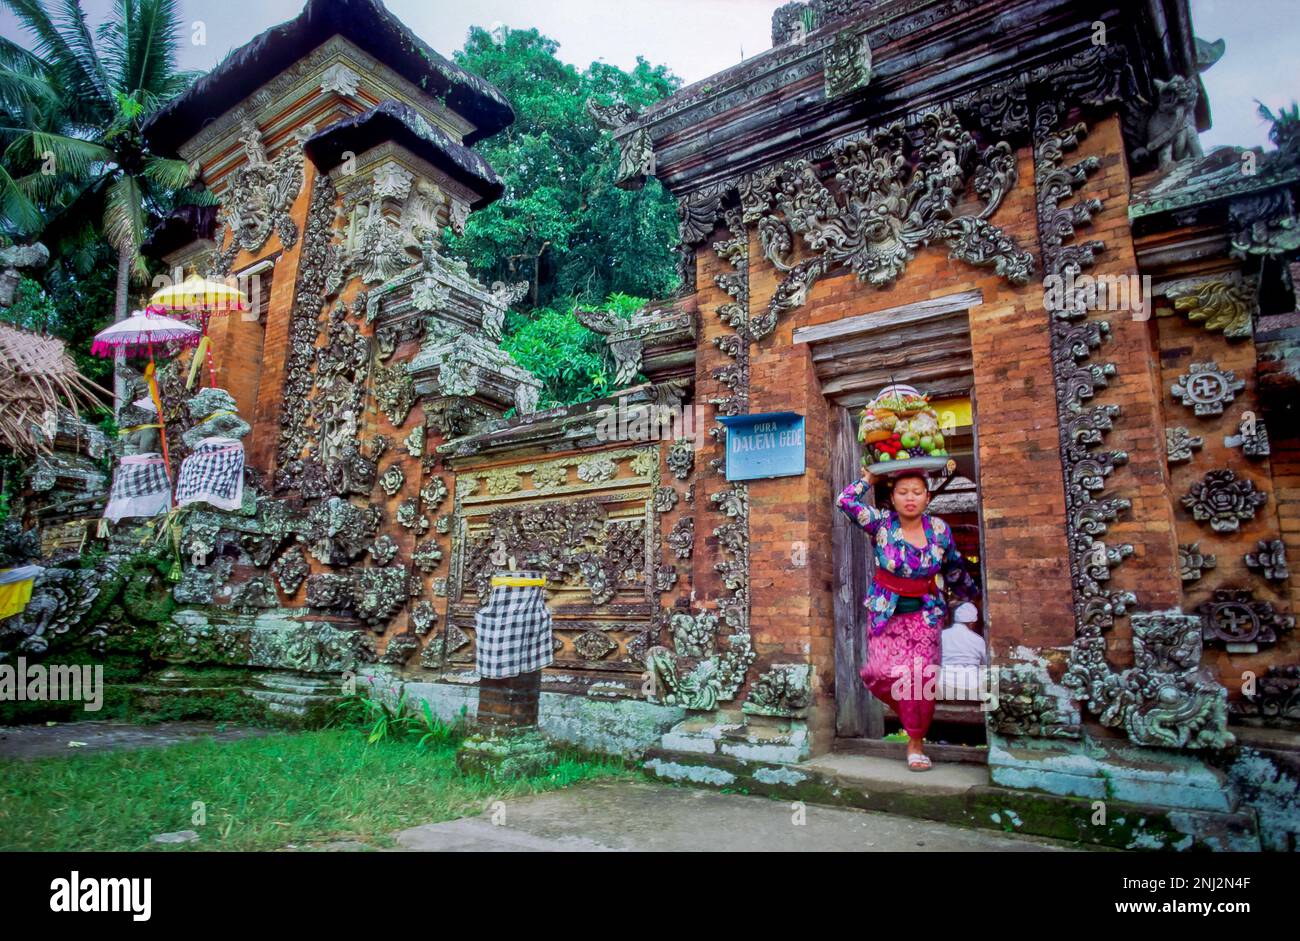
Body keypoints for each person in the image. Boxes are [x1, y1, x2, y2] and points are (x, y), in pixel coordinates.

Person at [836, 465, 979, 770]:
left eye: (917, 492)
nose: (910, 498)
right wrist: (868, 480)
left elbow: (953, 566)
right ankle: (908, 712)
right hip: (886, 613)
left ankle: (915, 744)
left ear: (927, 497)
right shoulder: (882, 525)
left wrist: (971, 594)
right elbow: (845, 501)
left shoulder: (939, 530)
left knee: (921, 679)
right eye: (903, 493)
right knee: (878, 673)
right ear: (893, 497)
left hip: (925, 616)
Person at [940, 602, 988, 702]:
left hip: (943, 685)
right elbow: (985, 664)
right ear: (971, 623)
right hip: (971, 685)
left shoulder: (942, 635)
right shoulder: (978, 640)